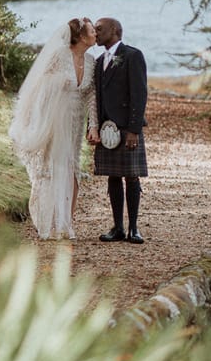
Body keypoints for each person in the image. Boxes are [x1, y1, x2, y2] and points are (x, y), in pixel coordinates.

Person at [8, 17, 99, 240]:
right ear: (80, 37)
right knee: (51, 167)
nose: (96, 33)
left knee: (73, 169)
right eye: (92, 30)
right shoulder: (59, 56)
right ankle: (46, 221)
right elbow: (39, 83)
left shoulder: (91, 61)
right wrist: (58, 82)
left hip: (76, 121)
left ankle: (66, 222)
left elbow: (91, 95)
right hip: (54, 119)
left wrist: (94, 125)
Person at [89, 17, 148, 244]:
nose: (96, 33)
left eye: (100, 29)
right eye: (94, 29)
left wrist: (134, 130)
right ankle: (118, 227)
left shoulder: (133, 55)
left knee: (132, 177)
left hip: (127, 128)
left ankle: (134, 228)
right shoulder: (99, 60)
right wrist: (94, 128)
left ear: (115, 30)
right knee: (112, 177)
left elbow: (140, 94)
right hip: (107, 130)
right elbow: (96, 98)